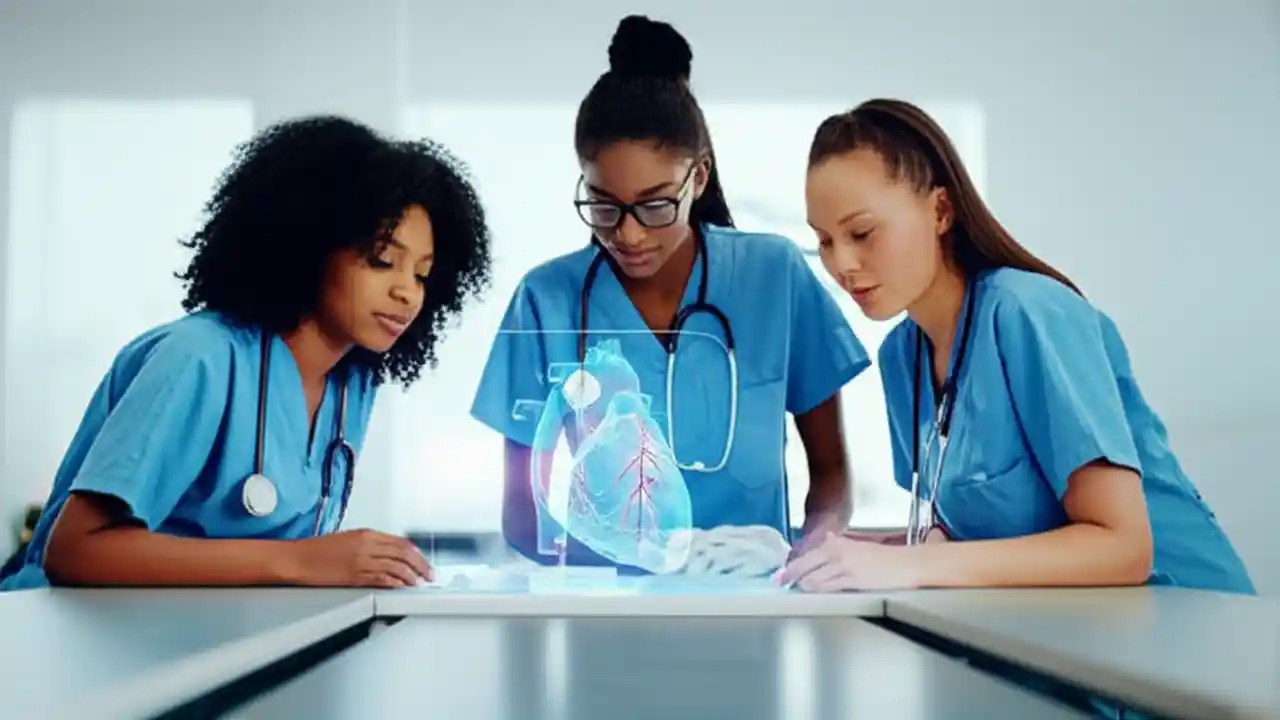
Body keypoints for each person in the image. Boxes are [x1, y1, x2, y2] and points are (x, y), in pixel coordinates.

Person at [779, 98, 1255, 595]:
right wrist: (854, 552)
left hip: (1187, 619)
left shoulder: (1029, 312)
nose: (843, 263)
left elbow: (1124, 548)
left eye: (861, 232)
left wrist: (911, 567)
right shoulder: (901, 356)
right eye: (825, 241)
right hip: (1060, 633)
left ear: (940, 210)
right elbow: (964, 544)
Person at [0, 116, 493, 591]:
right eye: (382, 261)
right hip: (64, 644)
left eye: (422, 274)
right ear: (309, 246)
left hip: (209, 644)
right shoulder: (199, 358)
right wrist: (303, 562)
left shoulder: (351, 383)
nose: (407, 292)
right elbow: (75, 551)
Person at [470, 15, 871, 572]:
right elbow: (520, 512)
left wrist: (802, 554)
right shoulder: (546, 299)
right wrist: (619, 567)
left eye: (656, 204)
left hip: (752, 610)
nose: (628, 234)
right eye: (603, 204)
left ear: (698, 178)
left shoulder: (773, 276)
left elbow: (830, 476)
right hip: (606, 618)